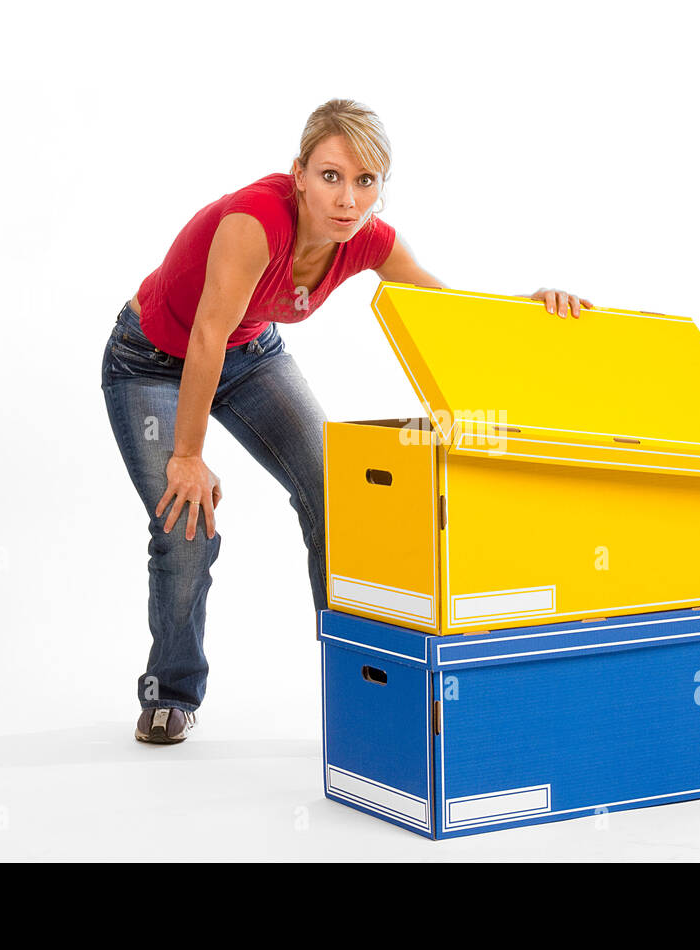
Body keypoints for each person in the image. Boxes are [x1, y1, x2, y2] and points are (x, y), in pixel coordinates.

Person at [100, 99, 594, 744]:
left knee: (337, 500)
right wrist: (188, 456)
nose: (347, 198)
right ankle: (170, 690)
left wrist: (529, 308)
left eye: (366, 182)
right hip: (154, 360)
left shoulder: (367, 239)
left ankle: (355, 688)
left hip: (252, 354)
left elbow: (440, 309)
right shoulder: (254, 222)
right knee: (186, 522)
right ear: (299, 172)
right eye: (331, 175)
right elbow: (205, 339)